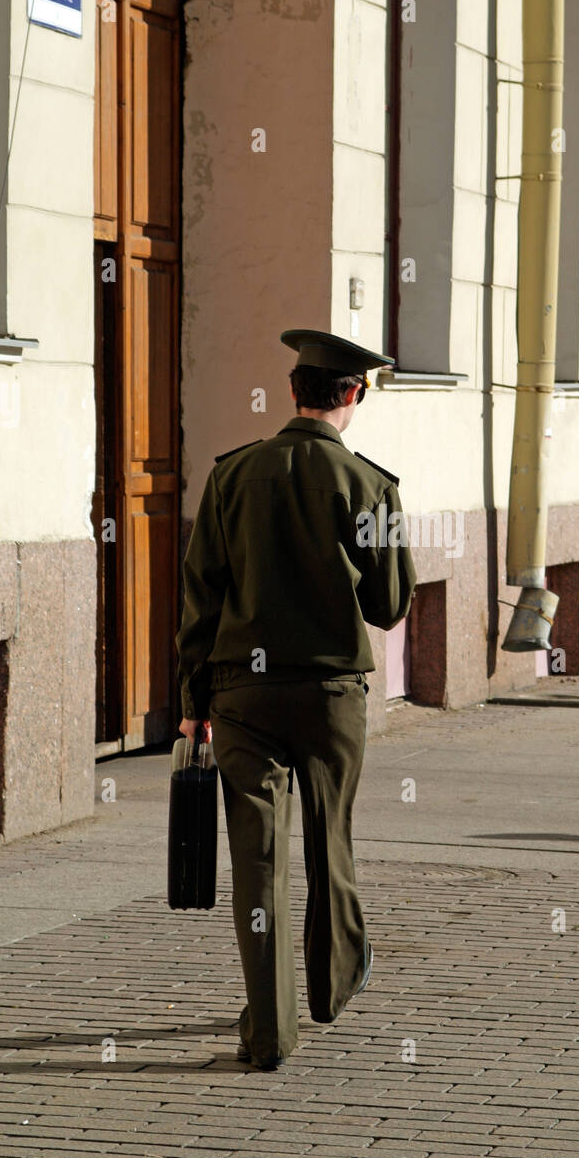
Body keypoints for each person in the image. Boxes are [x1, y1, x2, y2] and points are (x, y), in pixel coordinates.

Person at [175, 329, 416, 1069]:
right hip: (332, 692)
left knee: (258, 857)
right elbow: (389, 604)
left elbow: (200, 598)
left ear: (291, 393)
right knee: (329, 839)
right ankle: (333, 985)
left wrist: (192, 701)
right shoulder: (372, 486)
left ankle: (270, 1030)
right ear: (353, 395)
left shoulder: (230, 475)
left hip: (241, 694)